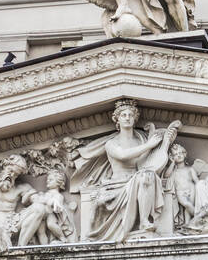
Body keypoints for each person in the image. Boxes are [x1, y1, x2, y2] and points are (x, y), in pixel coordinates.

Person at [71, 99, 180, 242]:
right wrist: (149, 145)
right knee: (144, 177)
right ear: (117, 119)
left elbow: (148, 164)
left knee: (147, 175)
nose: (127, 118)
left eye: (130, 115)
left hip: (138, 180)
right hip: (116, 186)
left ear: (135, 118)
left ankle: (144, 221)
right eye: (123, 115)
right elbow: (123, 155)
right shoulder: (111, 143)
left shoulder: (141, 139)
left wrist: (166, 142)